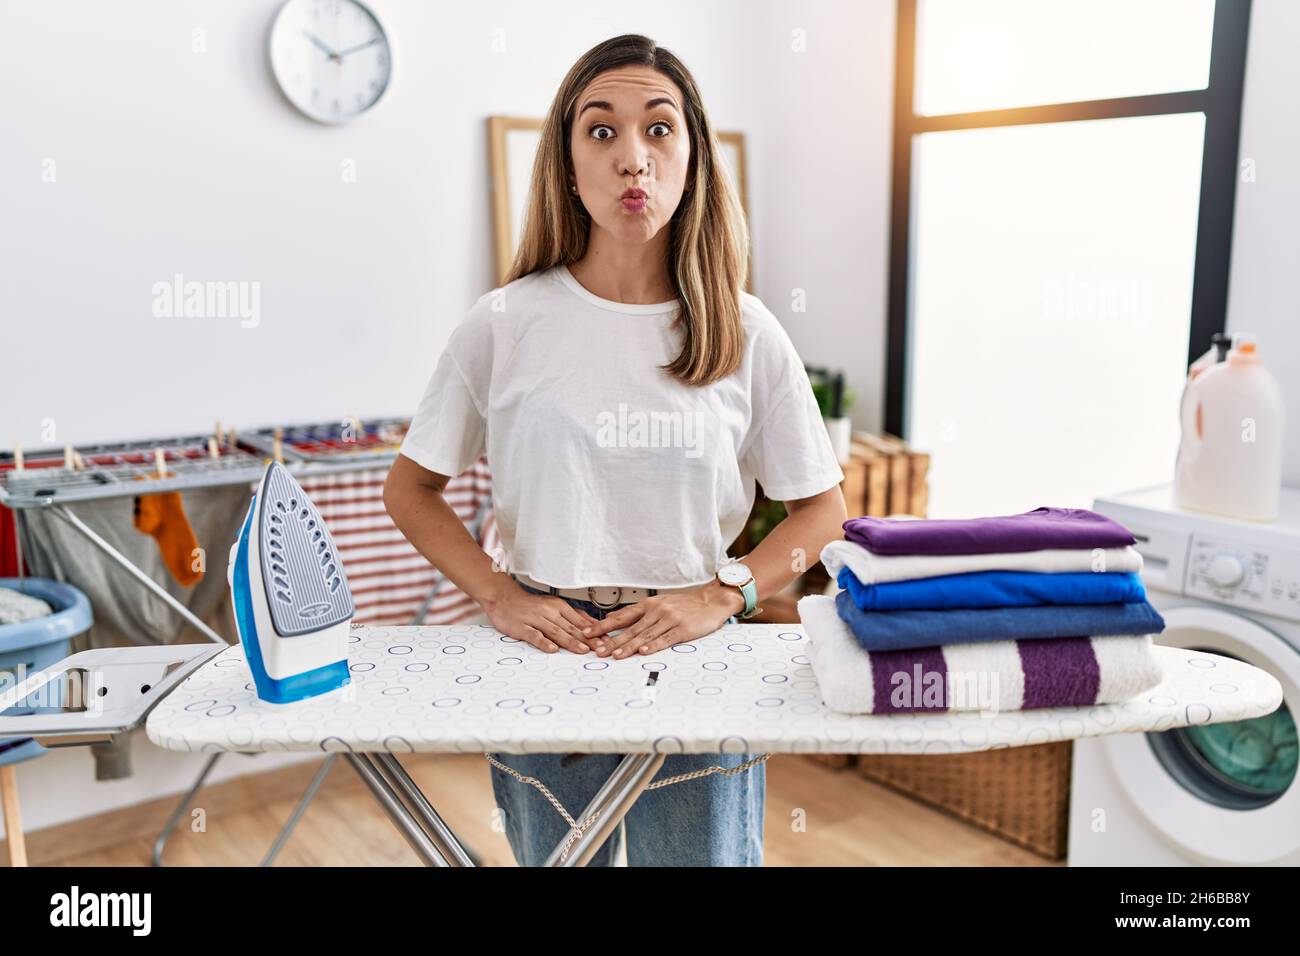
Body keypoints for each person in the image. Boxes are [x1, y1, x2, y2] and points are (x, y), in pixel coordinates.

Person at [384, 33, 847, 867]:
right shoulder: (505, 322)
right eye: (601, 131)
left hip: (693, 647)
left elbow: (824, 510)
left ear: (693, 156)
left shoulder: (747, 331)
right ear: (566, 164)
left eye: (659, 129)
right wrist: (497, 595)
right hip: (543, 647)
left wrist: (724, 595)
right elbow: (410, 490)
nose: (633, 158)